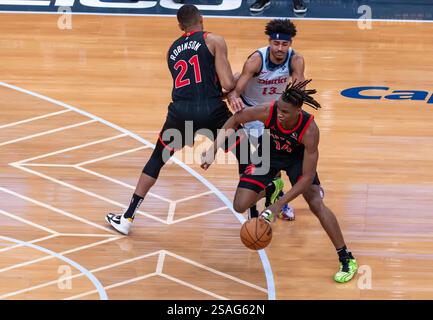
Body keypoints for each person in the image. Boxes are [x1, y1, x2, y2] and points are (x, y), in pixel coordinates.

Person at [105, 4, 250, 235]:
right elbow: (227, 84)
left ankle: (127, 216)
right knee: (248, 156)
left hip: (180, 114)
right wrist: (240, 79)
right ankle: (251, 219)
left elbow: (193, 86)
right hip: (212, 111)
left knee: (156, 161)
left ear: (181, 26)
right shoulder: (214, 40)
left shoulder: (172, 49)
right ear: (202, 19)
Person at [201, 80, 358, 283]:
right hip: (269, 153)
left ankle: (346, 257)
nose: (280, 115)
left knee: (315, 202)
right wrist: (213, 150)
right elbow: (235, 119)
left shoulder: (310, 131)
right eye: (279, 109)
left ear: (297, 111)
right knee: (240, 205)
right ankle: (273, 186)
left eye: (285, 112)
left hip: (296, 159)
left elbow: (307, 178)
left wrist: (278, 206)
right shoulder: (269, 111)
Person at [227, 18, 305, 221]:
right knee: (269, 155)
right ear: (270, 41)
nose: (280, 48)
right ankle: (277, 198)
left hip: (276, 112)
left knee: (273, 155)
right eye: (276, 43)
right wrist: (234, 99)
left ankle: (275, 195)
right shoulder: (256, 60)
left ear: (290, 43)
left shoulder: (296, 60)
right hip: (253, 112)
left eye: (285, 44)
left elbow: (298, 93)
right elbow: (236, 91)